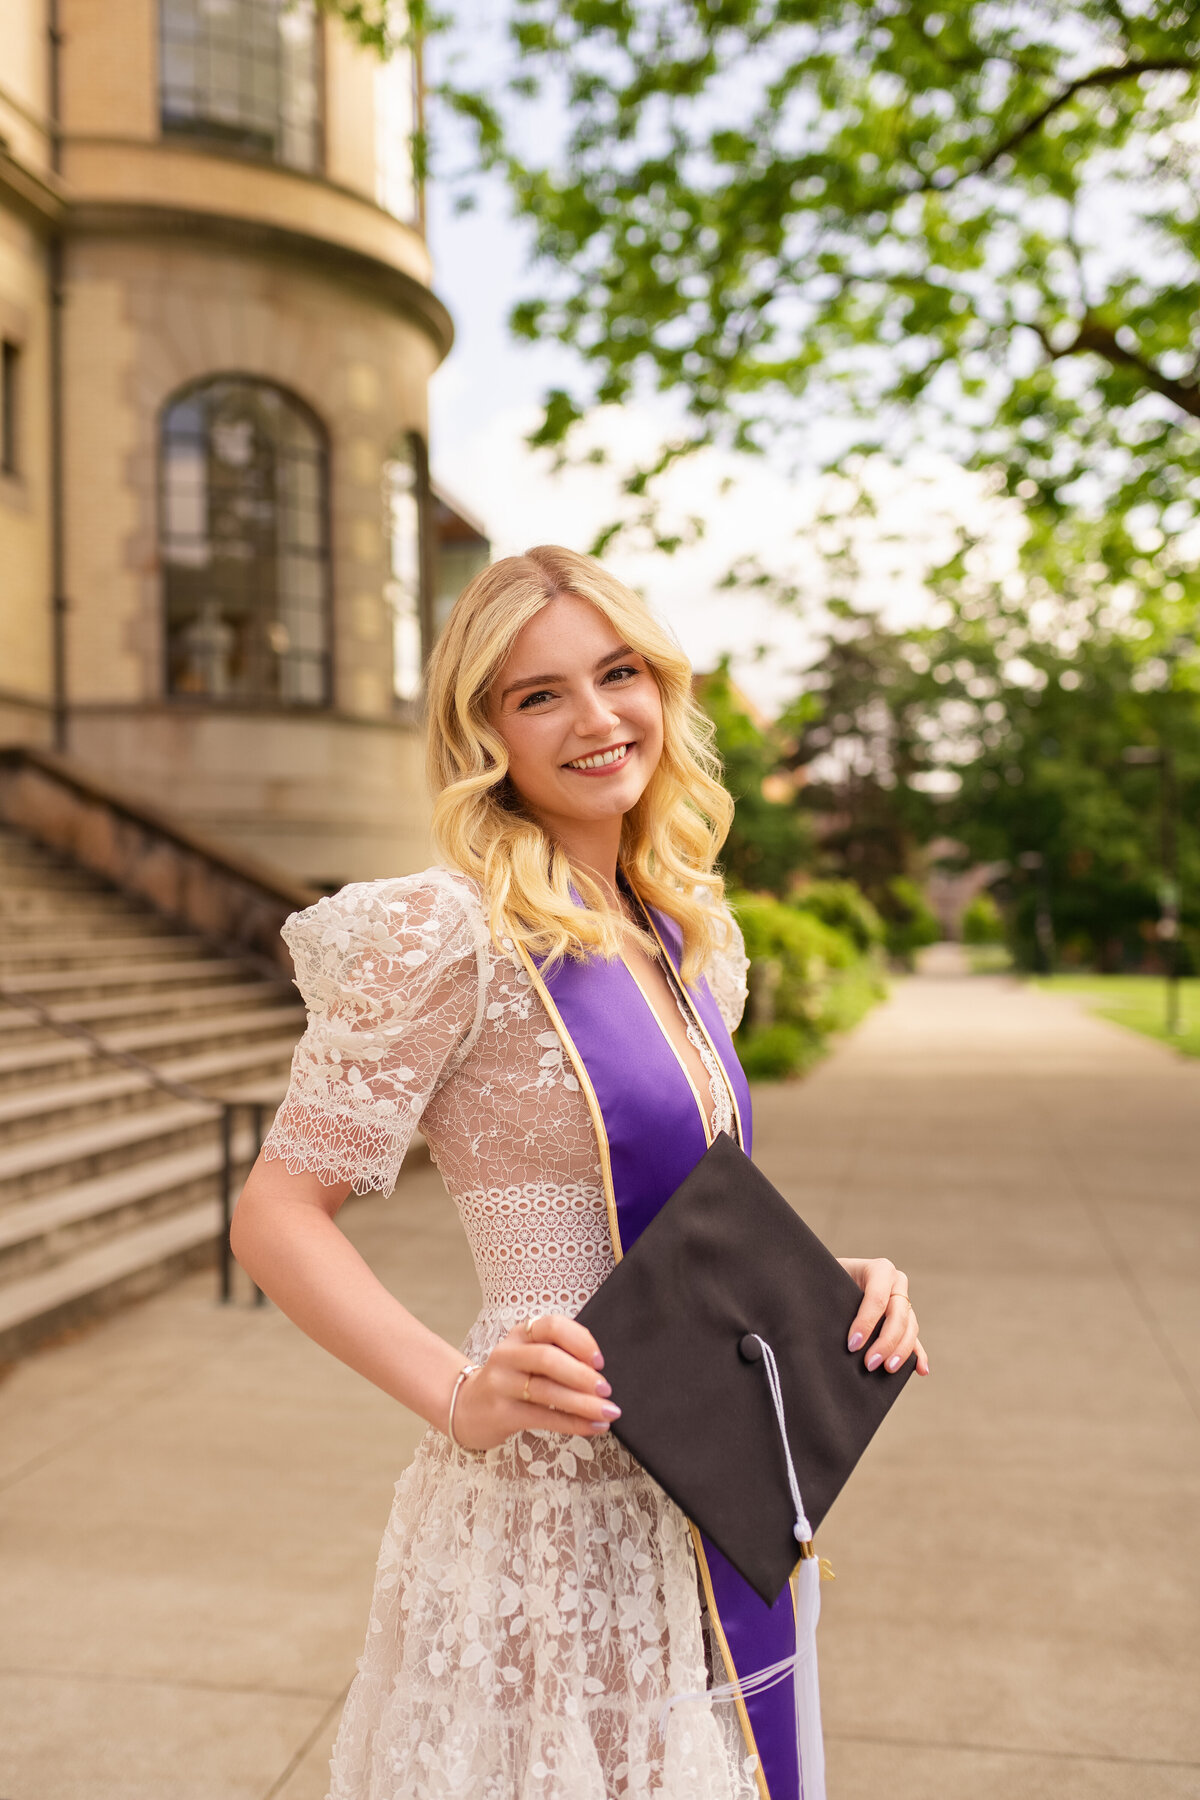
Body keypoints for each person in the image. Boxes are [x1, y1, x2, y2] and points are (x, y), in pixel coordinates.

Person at [231, 546, 928, 1800]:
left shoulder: (686, 934)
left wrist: (831, 1287)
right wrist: (456, 1392)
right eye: (539, 693)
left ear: (664, 685)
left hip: (716, 1478)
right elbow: (279, 1213)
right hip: (558, 1488)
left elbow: (686, 1208)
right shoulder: (445, 933)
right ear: (483, 728)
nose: (598, 718)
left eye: (619, 674)